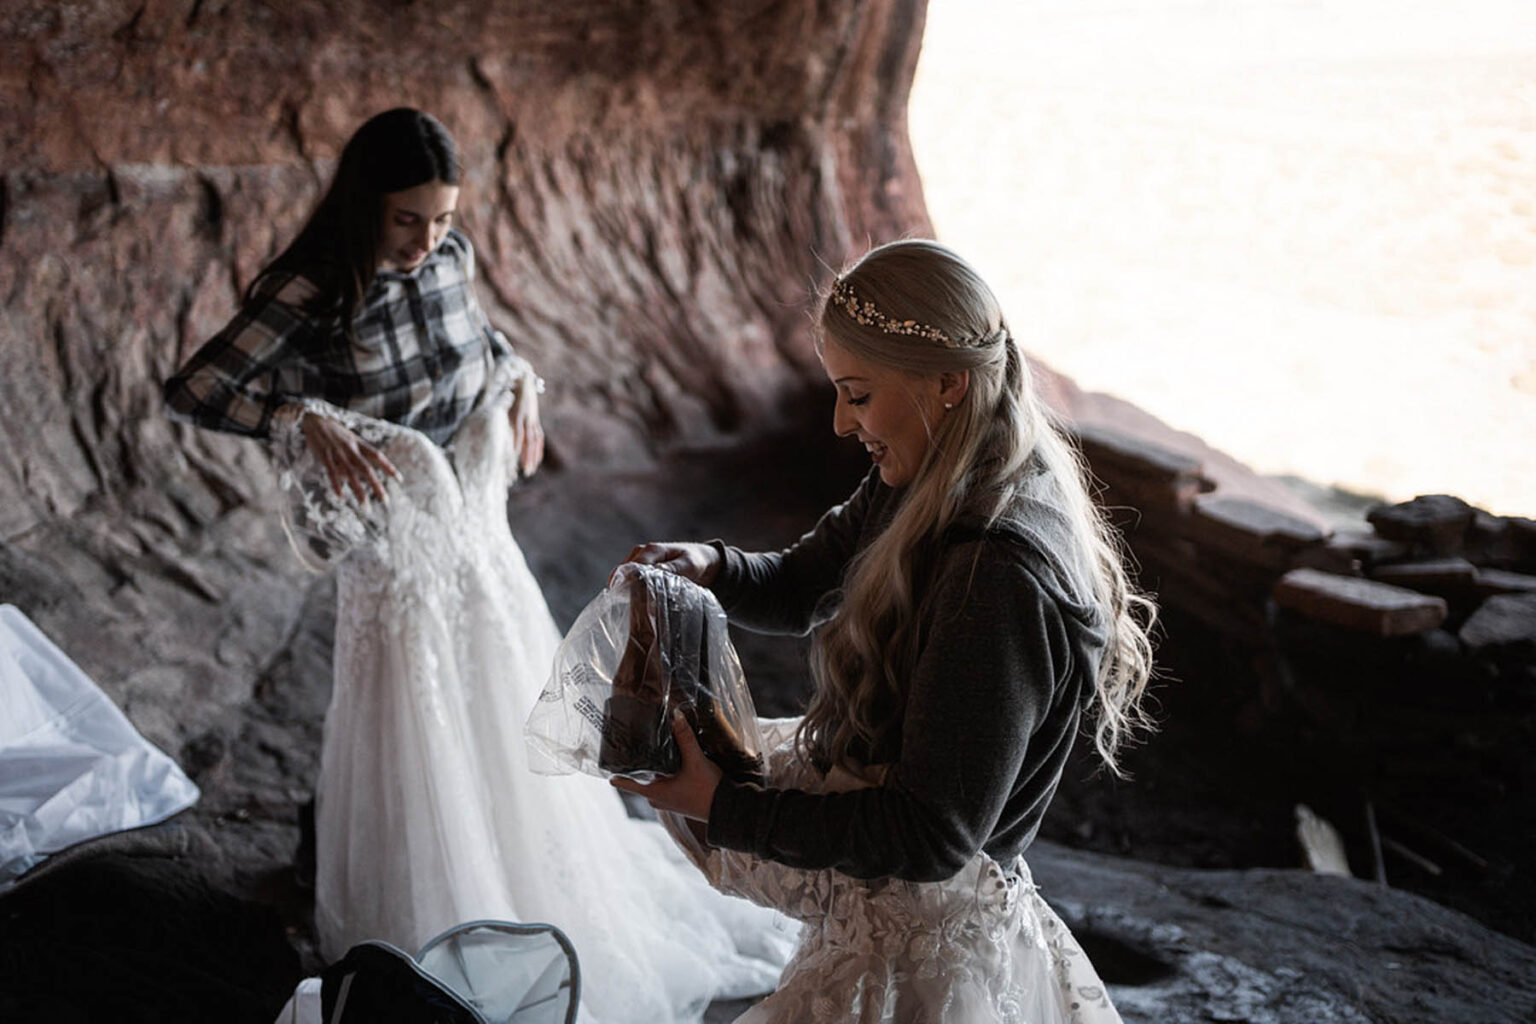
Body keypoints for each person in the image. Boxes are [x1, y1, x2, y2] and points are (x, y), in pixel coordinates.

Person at [164, 107, 792, 1024]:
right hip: (396, 561)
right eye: (406, 220)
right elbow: (199, 389)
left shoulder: (450, 262)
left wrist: (518, 374)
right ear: (363, 208)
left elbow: (478, 339)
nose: (428, 241)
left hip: (478, 539)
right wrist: (300, 417)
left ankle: (533, 883)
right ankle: (428, 915)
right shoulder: (311, 289)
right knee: (415, 729)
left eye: (444, 219)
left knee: (504, 708)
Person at [617, 239, 1156, 1022]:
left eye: (858, 395)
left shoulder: (993, 575)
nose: (841, 422)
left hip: (918, 965)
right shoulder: (929, 475)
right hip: (893, 925)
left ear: (947, 384)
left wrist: (726, 808)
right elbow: (807, 583)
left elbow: (930, 832)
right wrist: (713, 565)